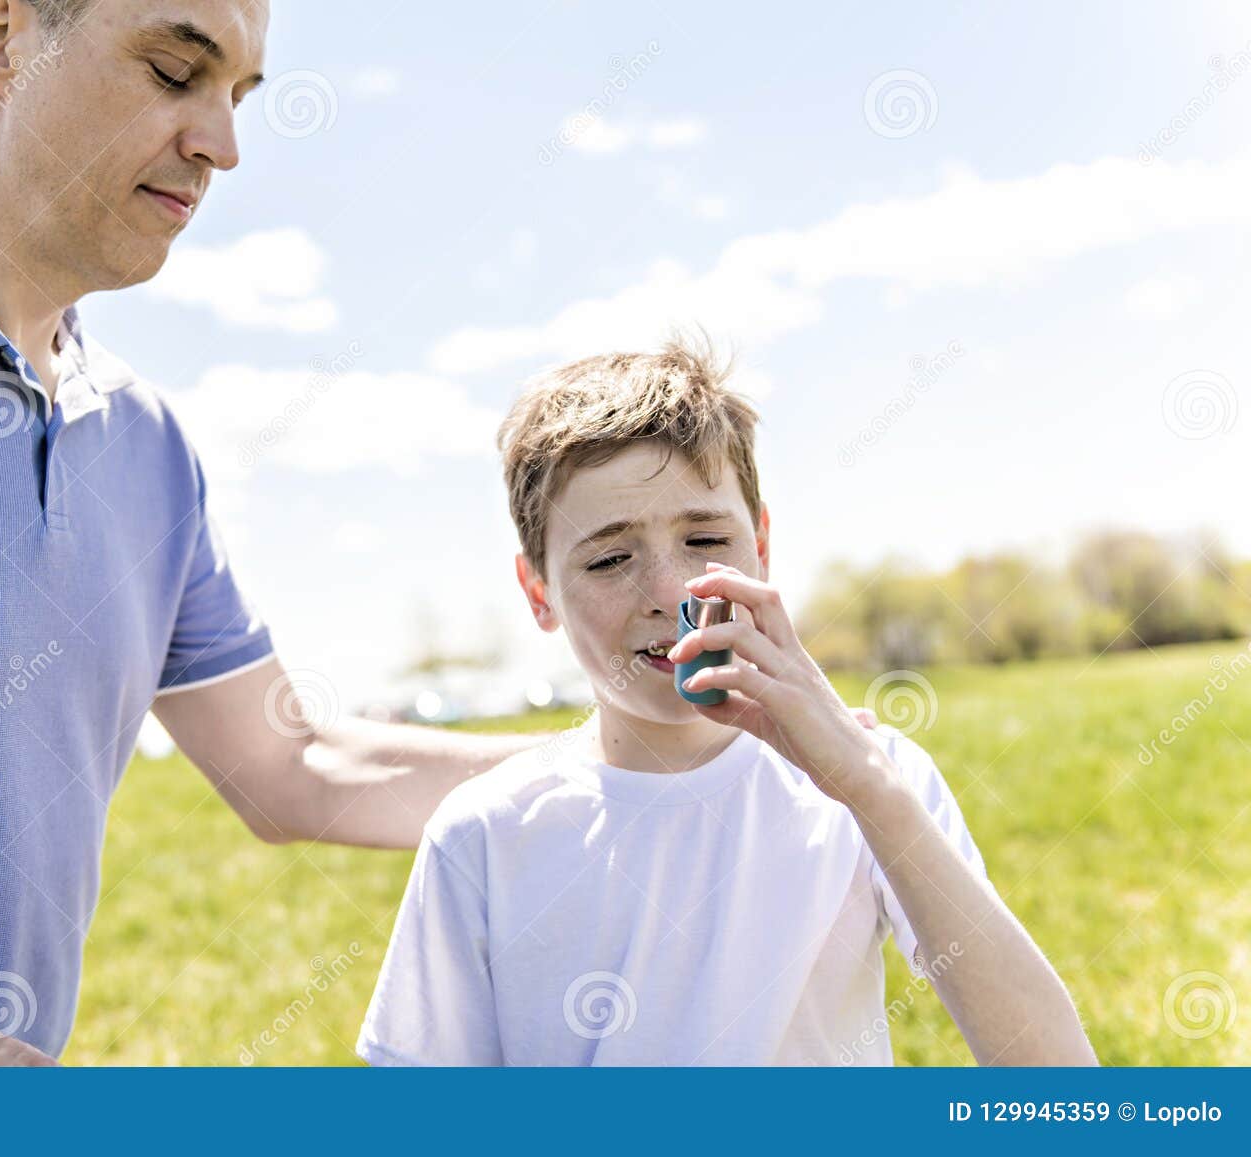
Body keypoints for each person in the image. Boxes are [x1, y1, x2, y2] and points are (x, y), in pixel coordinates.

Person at [0, 0, 536, 1067]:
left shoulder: (149, 445)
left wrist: (631, 761)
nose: (224, 144)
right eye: (174, 71)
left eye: (239, 96)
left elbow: (292, 761)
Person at [355, 334, 1097, 1065]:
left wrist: (869, 787)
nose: (670, 592)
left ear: (762, 545)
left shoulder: (874, 780)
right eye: (611, 558)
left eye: (706, 538)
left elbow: (1056, 1080)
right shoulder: (482, 835)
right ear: (539, 591)